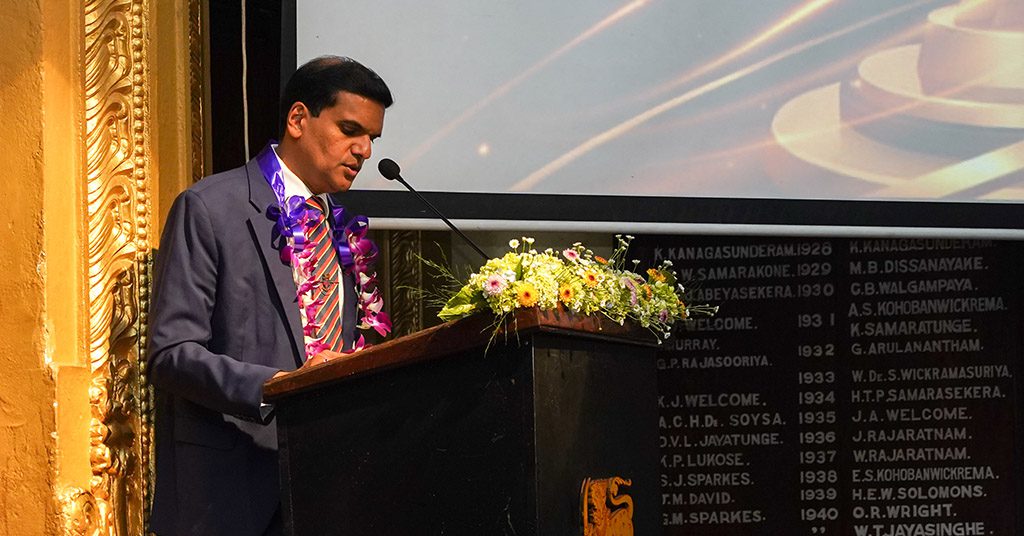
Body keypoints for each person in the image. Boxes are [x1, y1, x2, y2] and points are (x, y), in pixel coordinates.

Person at [146, 56, 393, 536]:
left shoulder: (343, 231)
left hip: (322, 489)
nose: (362, 150)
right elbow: (171, 354)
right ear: (298, 119)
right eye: (350, 129)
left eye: (372, 139)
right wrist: (276, 385)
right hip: (227, 495)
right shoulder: (210, 208)